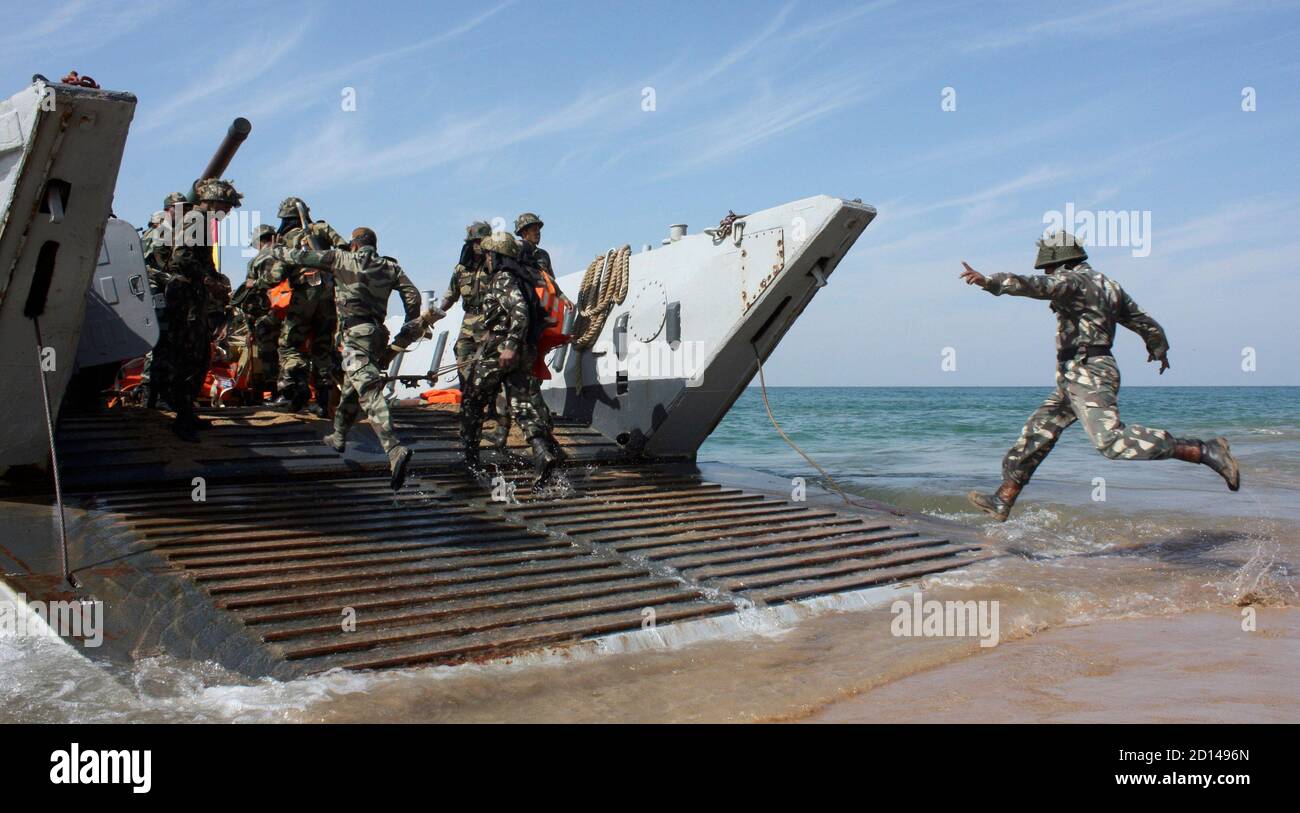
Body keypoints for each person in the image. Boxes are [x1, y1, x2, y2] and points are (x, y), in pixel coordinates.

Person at [959, 231, 1240, 521]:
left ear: (1060, 263)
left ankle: (1204, 450)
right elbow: (1142, 321)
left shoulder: (1072, 280)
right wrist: (1158, 347)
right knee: (1037, 434)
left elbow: (1036, 285)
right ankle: (1003, 498)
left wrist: (990, 281)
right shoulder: (1109, 285)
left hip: (1087, 371)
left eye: (1047, 266)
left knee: (1111, 441)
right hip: (1078, 374)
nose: (1046, 271)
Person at [271, 227, 422, 489]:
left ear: (354, 245)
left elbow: (299, 258)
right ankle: (339, 435)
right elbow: (413, 294)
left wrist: (274, 250)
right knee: (352, 388)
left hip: (353, 336)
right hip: (377, 335)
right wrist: (411, 321)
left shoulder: (341, 259)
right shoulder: (390, 267)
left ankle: (393, 448)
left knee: (367, 388)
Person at [459, 231, 561, 484]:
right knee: (523, 406)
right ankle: (542, 452)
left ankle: (470, 460)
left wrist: (508, 345)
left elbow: (520, 311)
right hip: (526, 349)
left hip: (502, 347)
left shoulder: (503, 278)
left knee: (472, 400)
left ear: (495, 255)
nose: (487, 260)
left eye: (489, 255)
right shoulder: (525, 278)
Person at [151, 179, 242, 440]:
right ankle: (182, 417)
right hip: (187, 299)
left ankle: (186, 412)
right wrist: (208, 280)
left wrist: (216, 278)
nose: (228, 213)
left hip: (195, 298)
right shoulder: (197, 219)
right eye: (227, 207)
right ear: (215, 202)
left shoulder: (201, 221)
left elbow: (199, 260)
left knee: (199, 354)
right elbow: (181, 259)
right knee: (190, 356)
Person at [271, 196, 345, 415]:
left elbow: (277, 274)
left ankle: (297, 388)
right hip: (328, 296)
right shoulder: (321, 229)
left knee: (290, 345)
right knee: (322, 347)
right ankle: (323, 403)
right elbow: (344, 249)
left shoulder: (285, 239)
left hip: (303, 296)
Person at [230, 224, 284, 401]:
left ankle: (272, 391)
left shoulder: (257, 260)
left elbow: (249, 291)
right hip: (290, 309)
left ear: (259, 241)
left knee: (267, 353)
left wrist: (249, 322)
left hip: (266, 312)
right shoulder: (287, 253)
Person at [438, 221, 493, 390]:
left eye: (481, 240)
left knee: (488, 363)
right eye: (474, 241)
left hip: (491, 320)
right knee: (462, 355)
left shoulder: (497, 265)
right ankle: (469, 399)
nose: (478, 244)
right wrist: (432, 315)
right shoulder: (461, 269)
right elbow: (450, 296)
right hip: (468, 321)